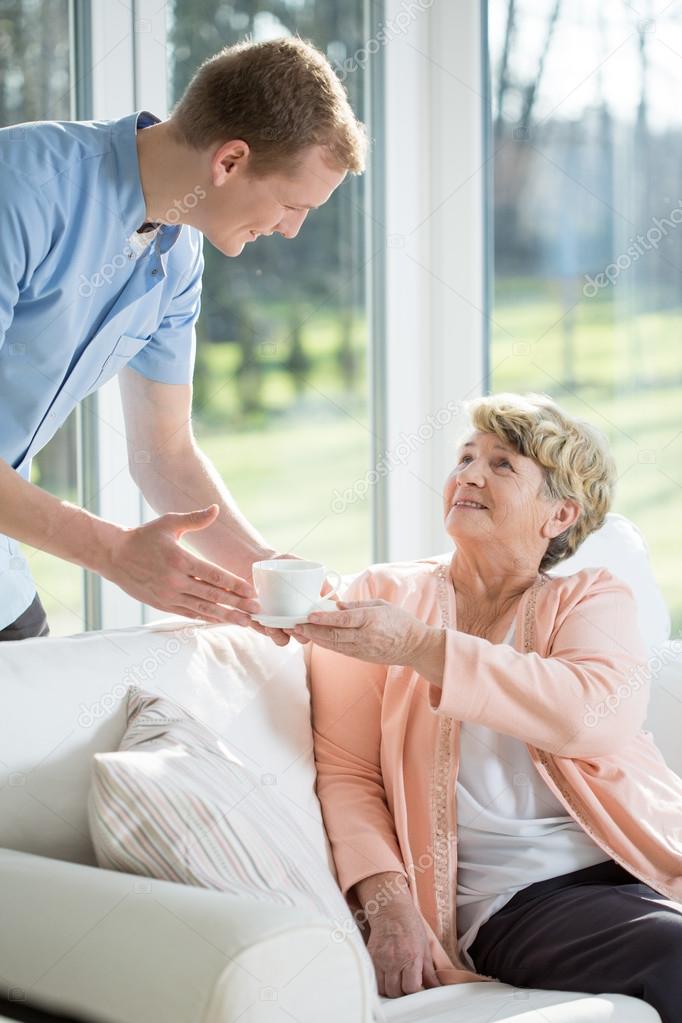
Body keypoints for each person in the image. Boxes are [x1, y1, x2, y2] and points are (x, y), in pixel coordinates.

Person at [295, 392, 682, 1022]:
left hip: (641, 860)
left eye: (503, 465)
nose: (468, 475)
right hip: (517, 900)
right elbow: (347, 773)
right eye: (465, 458)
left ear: (559, 514)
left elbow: (595, 717)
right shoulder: (380, 598)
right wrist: (389, 903)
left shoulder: (589, 598)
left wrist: (423, 649)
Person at [0, 36, 366, 641]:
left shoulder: (179, 253)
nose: (293, 230)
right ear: (229, 161)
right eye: (291, 205)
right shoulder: (22, 189)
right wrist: (115, 553)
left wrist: (264, 570)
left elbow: (162, 453)